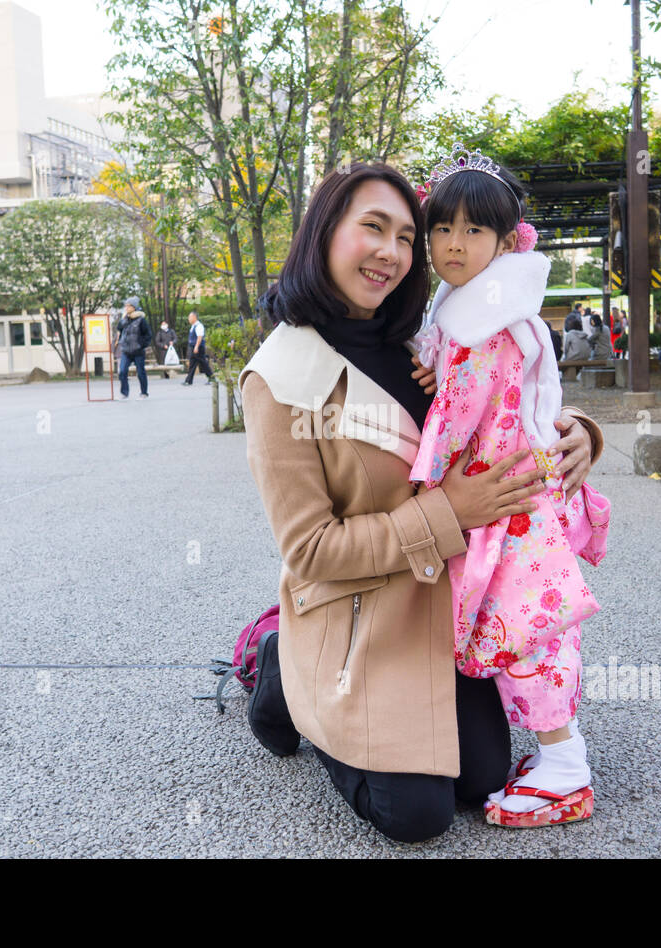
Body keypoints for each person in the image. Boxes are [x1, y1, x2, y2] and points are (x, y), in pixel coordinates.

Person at [237, 161, 605, 843]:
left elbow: (507, 400)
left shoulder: (427, 336)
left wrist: (579, 432)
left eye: (407, 237)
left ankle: (294, 672)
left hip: (443, 604)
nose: (392, 251)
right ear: (324, 232)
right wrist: (451, 513)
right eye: (373, 228)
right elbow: (310, 550)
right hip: (359, 616)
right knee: (417, 816)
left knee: (483, 779)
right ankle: (281, 667)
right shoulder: (281, 379)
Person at [410, 146, 609, 827]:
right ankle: (558, 758)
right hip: (518, 491)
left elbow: (456, 416)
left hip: (504, 497)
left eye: (474, 230)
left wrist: (424, 484)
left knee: (525, 629)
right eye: (442, 228)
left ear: (506, 240)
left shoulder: (481, 323)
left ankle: (566, 771)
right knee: (531, 627)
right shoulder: (488, 309)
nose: (453, 244)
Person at [117, 297, 152, 399]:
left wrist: (141, 345)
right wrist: (121, 341)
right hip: (126, 351)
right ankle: (124, 393)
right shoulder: (124, 319)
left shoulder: (141, 320)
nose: (126, 308)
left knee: (140, 372)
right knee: (122, 371)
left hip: (138, 351)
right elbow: (119, 329)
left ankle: (144, 392)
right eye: (126, 306)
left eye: (128, 306)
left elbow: (148, 335)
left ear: (134, 307)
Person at [183, 311, 214, 386]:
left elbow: (199, 337)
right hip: (193, 347)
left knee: (203, 363)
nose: (188, 319)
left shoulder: (199, 326)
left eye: (190, 317)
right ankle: (188, 380)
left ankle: (212, 378)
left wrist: (196, 346)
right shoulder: (193, 326)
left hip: (198, 347)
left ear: (194, 317)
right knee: (192, 364)